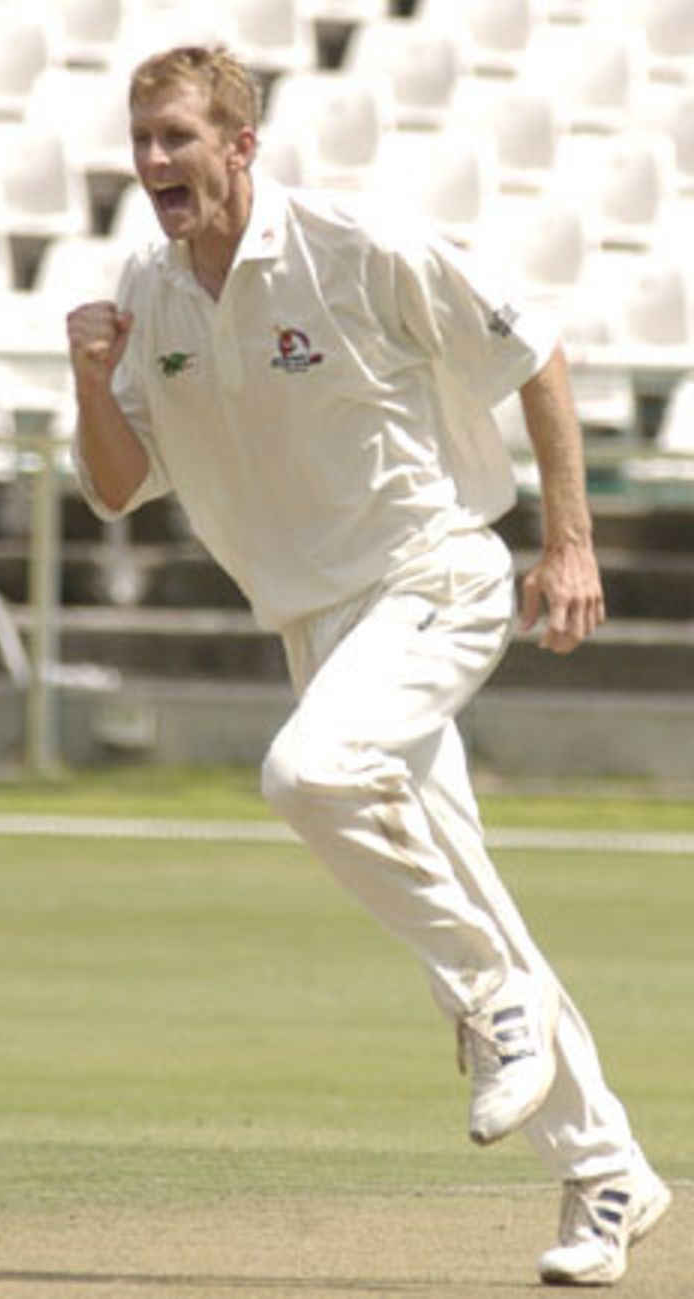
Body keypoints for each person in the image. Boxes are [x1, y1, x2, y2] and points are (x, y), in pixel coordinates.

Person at [67, 46, 669, 1287]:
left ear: (241, 144)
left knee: (308, 776)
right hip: (315, 623)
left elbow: (535, 351)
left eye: (179, 137)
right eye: (142, 141)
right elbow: (120, 487)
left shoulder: (355, 242)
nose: (155, 162)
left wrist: (567, 544)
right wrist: (89, 378)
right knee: (456, 885)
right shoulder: (150, 287)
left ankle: (501, 998)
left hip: (433, 576)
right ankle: (607, 1174)